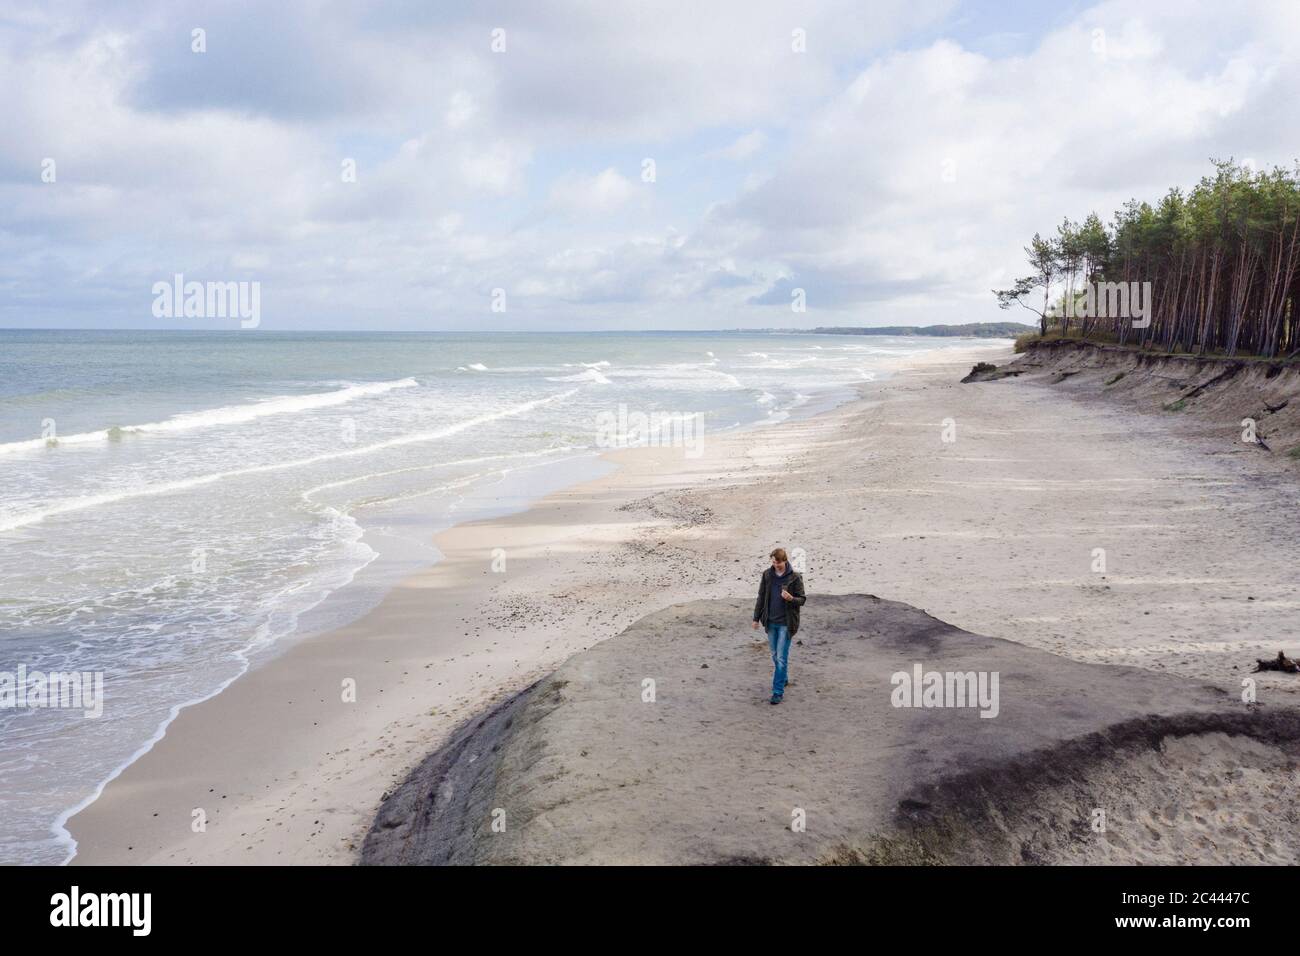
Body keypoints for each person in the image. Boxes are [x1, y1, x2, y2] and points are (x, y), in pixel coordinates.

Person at [751, 547, 806, 705]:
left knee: (781, 658)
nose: (776, 565)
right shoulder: (767, 575)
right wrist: (756, 618)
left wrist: (791, 598)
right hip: (770, 622)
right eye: (774, 562)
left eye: (778, 563)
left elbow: (802, 599)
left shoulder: (795, 578)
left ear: (785, 561)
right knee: (775, 656)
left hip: (786, 624)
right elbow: (761, 597)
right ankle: (783, 678)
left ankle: (777, 692)